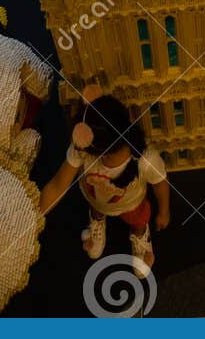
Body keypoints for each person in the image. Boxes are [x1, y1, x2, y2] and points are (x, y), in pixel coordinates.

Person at [40, 89, 170, 278]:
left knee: (138, 219)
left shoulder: (144, 159)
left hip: (131, 203)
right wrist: (35, 215)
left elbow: (160, 183)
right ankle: (98, 221)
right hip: (96, 199)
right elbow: (58, 185)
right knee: (97, 207)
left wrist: (163, 211)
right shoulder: (82, 148)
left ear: (101, 152)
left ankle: (141, 235)